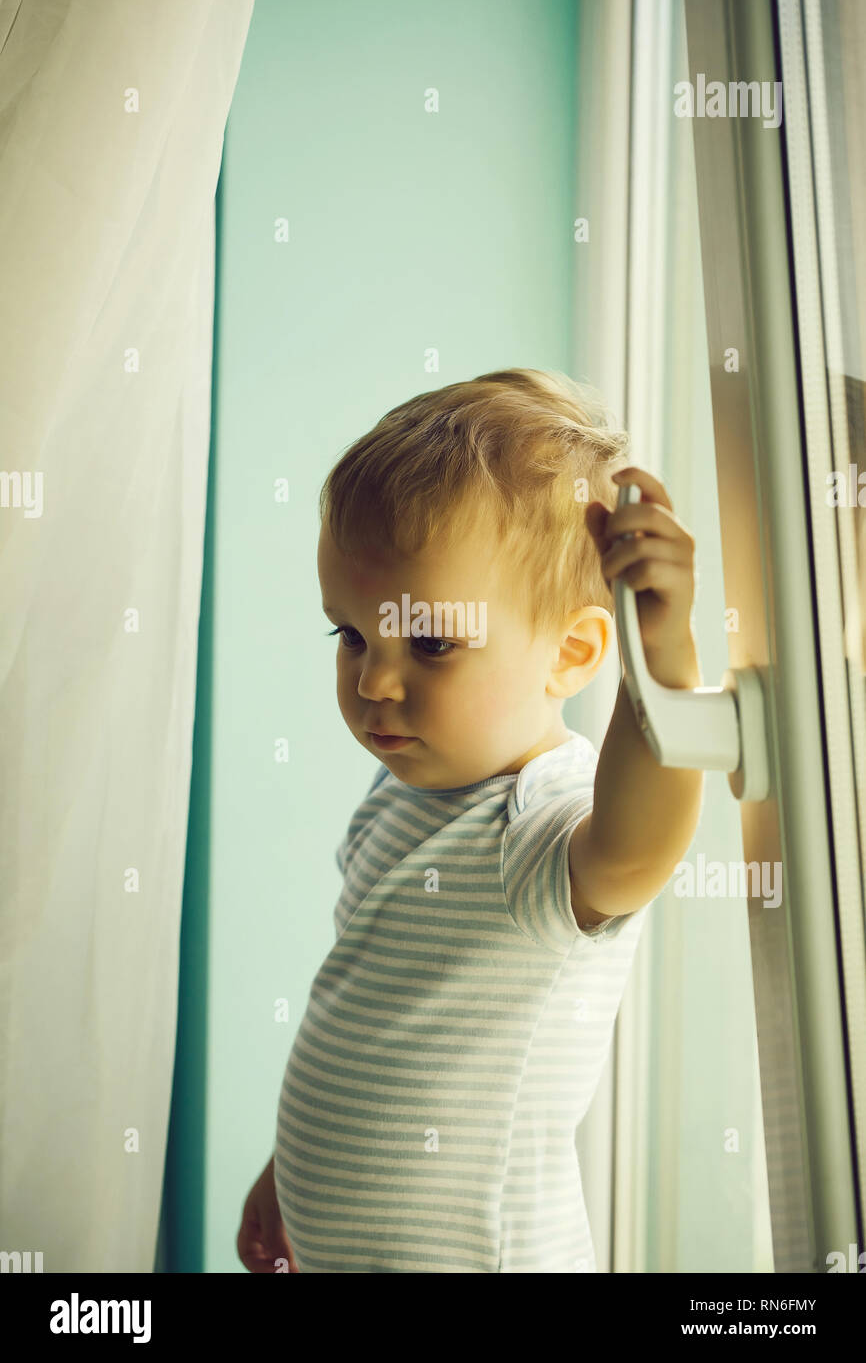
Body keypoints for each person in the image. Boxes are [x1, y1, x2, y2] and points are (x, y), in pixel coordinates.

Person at [236, 367, 703, 1273]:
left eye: (432, 643)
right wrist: (289, 1169)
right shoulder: (402, 795)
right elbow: (364, 1015)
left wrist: (663, 660)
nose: (374, 680)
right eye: (351, 634)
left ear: (572, 653)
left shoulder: (537, 821)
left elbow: (634, 851)